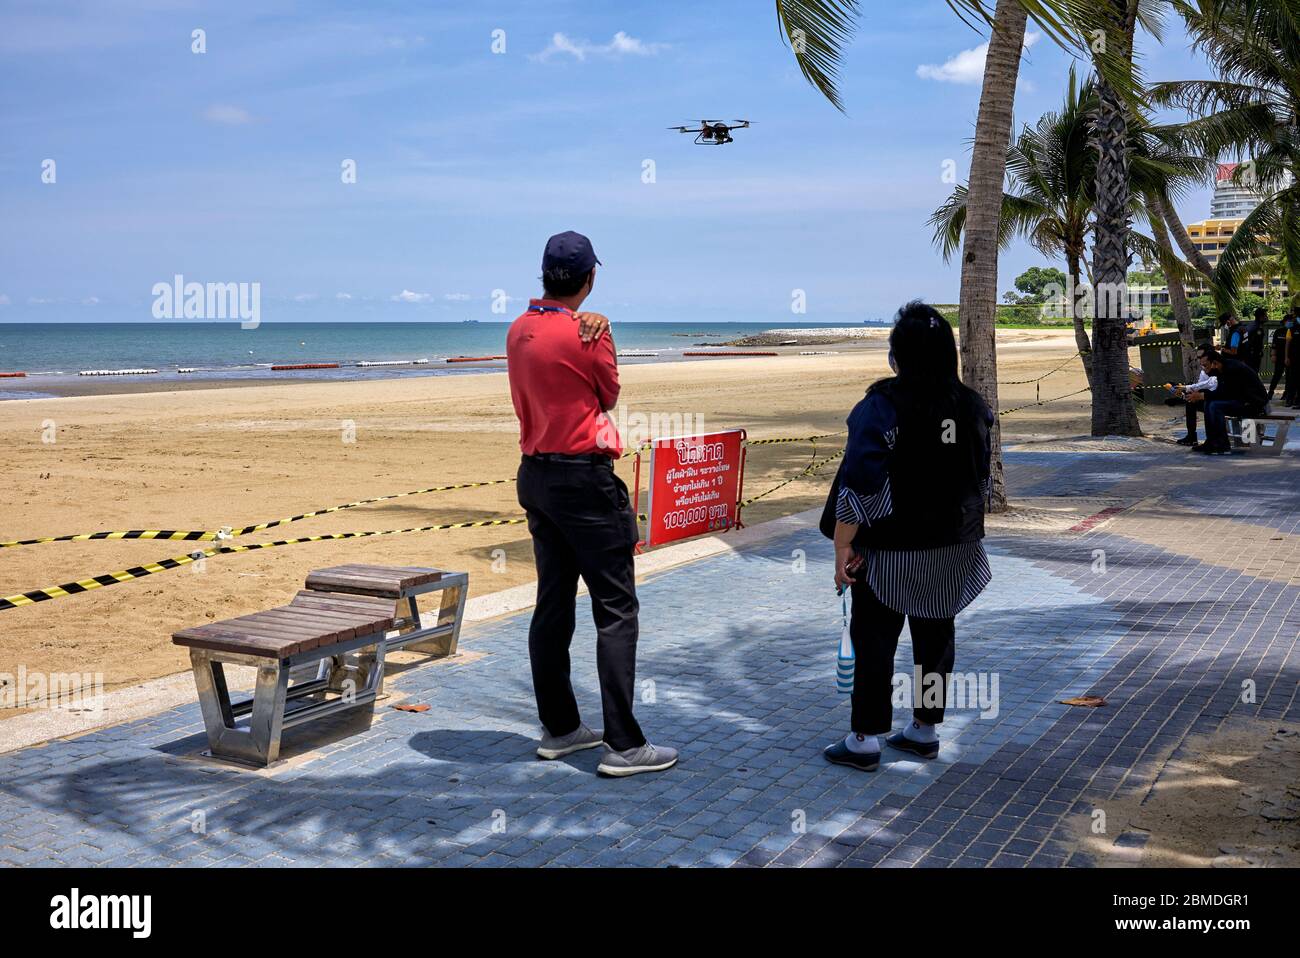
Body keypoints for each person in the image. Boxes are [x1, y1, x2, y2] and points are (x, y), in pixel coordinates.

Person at [505, 230, 678, 777]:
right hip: (584, 479)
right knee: (616, 608)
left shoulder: (517, 331)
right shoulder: (590, 334)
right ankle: (625, 744)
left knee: (553, 604)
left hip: (536, 475)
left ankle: (560, 728)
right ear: (590, 277)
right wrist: (598, 329)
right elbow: (608, 395)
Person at [820, 301, 993, 772]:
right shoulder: (972, 407)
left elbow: (862, 482)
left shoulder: (880, 407)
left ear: (897, 356)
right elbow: (981, 480)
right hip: (954, 545)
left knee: (875, 637)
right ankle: (924, 729)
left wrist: (842, 546)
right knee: (935, 635)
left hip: (892, 548)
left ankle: (864, 739)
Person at [1185, 345, 1269, 455]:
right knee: (1209, 403)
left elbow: (1228, 393)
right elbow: (1220, 391)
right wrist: (1200, 395)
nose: (1204, 370)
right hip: (1242, 400)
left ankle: (1222, 444)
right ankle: (1212, 441)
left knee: (1214, 405)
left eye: (1206, 366)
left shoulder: (1232, 368)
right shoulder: (1221, 369)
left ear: (1214, 363)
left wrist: (1202, 396)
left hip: (1255, 404)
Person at [1266, 311, 1293, 401]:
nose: (1289, 322)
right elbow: (1274, 344)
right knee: (1277, 375)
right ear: (1284, 321)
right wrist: (1273, 354)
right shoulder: (1279, 332)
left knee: (1289, 376)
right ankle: (1270, 392)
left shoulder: (1293, 331)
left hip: (1291, 357)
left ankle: (1286, 393)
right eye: (1288, 321)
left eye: (1291, 321)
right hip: (1280, 357)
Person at [1245, 307, 1269, 373]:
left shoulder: (1252, 325)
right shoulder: (1257, 328)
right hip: (1253, 356)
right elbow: (1253, 343)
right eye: (1266, 315)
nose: (1267, 317)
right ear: (1261, 317)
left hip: (1250, 355)